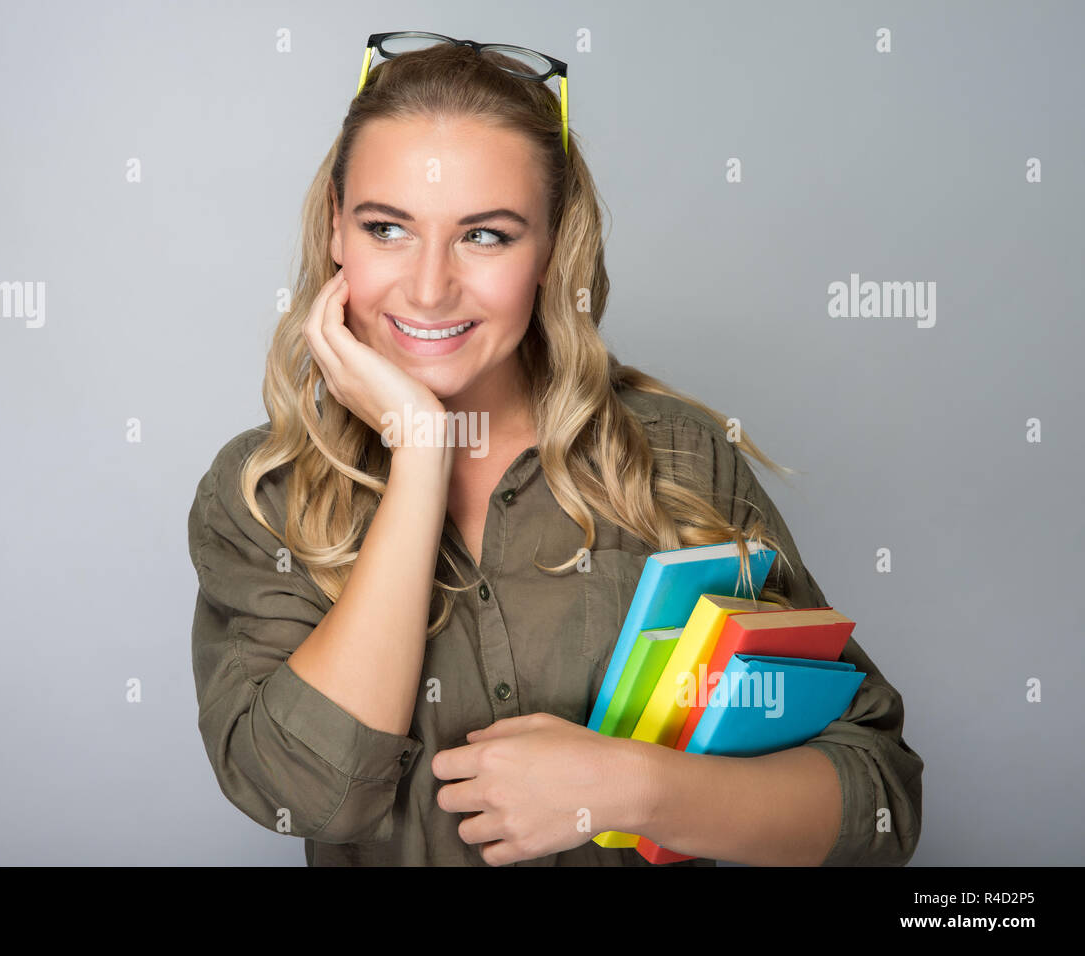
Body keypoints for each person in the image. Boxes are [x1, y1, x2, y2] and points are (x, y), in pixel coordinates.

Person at [187, 40, 923, 866]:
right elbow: (302, 794)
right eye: (387, 228)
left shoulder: (673, 457)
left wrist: (630, 789)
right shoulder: (263, 494)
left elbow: (879, 800)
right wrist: (422, 454)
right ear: (335, 227)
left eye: (487, 236)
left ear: (551, 248)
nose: (429, 288)